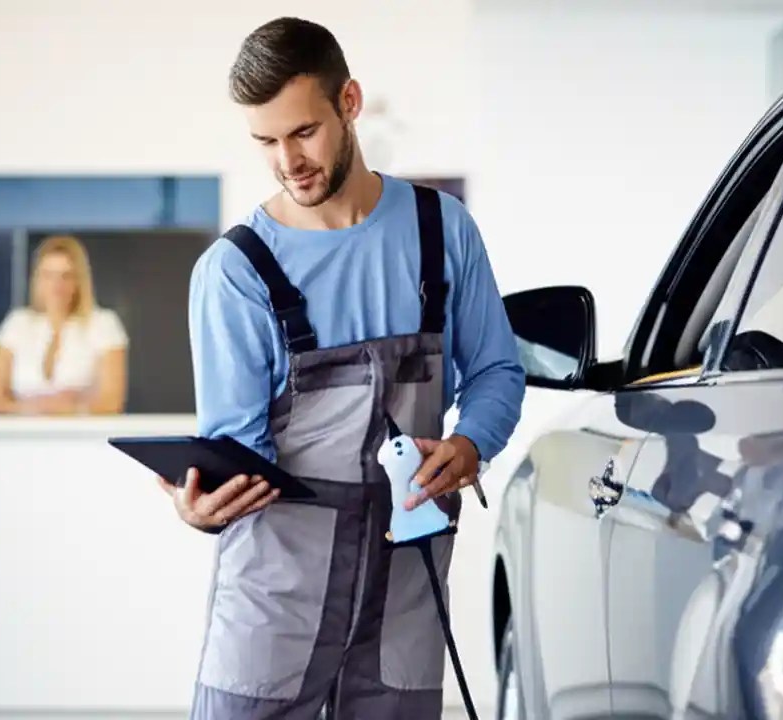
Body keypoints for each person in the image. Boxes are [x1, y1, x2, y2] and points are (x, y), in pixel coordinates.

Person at [156, 17, 526, 720]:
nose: (287, 160)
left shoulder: (441, 229)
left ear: (349, 103)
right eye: (265, 141)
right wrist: (201, 508)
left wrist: (470, 442)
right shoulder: (234, 273)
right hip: (276, 595)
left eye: (303, 132)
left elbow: (497, 372)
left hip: (405, 586)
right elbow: (237, 453)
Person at [0, 234, 129, 415]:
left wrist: (72, 409)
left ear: (79, 281)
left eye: (66, 276)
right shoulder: (17, 323)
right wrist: (32, 409)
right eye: (48, 275)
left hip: (83, 436)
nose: (56, 285)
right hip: (22, 435)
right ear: (37, 279)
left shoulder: (104, 324)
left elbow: (112, 402)